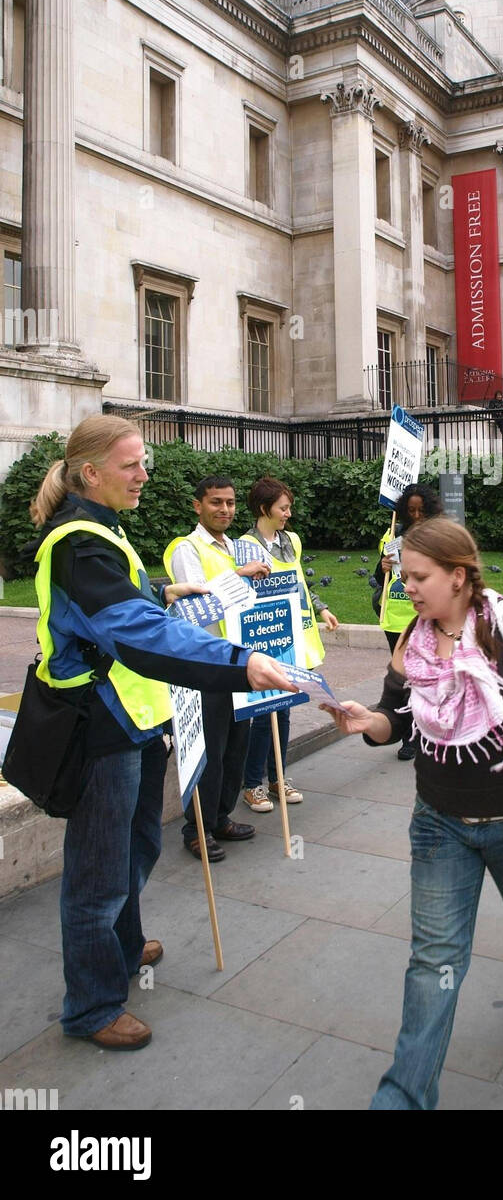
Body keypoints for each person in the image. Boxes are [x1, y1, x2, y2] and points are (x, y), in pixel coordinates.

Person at [28, 415, 300, 1050]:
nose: (144, 474)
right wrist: (241, 663)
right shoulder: (76, 542)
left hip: (136, 722)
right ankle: (92, 1006)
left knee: (138, 845)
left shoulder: (99, 531)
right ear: (90, 473)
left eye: (143, 462)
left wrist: (168, 587)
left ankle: (122, 946)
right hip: (99, 730)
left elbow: (125, 598)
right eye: (131, 466)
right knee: (97, 873)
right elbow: (133, 631)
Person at [328, 516, 503, 1110]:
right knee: (432, 962)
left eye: (419, 577)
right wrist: (365, 723)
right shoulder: (412, 640)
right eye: (403, 578)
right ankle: (403, 1097)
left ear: (459, 576)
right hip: (438, 824)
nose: (408, 589)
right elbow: (395, 718)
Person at [163, 477, 273, 860]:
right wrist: (241, 577)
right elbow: (197, 602)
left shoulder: (239, 548)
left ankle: (221, 816)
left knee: (234, 746)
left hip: (240, 661)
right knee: (207, 750)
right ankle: (197, 828)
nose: (224, 510)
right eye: (215, 503)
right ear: (197, 506)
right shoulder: (185, 548)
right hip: (204, 665)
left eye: (229, 503)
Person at [239, 476, 339, 811]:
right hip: (264, 637)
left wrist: (321, 608)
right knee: (265, 711)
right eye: (283, 508)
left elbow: (298, 582)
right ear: (265, 508)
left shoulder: (291, 540)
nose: (288, 514)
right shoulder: (245, 545)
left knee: (282, 712)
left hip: (293, 636)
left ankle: (276, 778)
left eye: (289, 507)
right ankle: (252, 783)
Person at [374, 482, 444, 761]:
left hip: (426, 617)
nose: (416, 516)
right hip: (395, 619)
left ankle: (430, 729)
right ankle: (410, 736)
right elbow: (379, 580)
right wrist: (384, 568)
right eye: (411, 510)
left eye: (421, 510)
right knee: (403, 679)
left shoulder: (438, 537)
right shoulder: (393, 535)